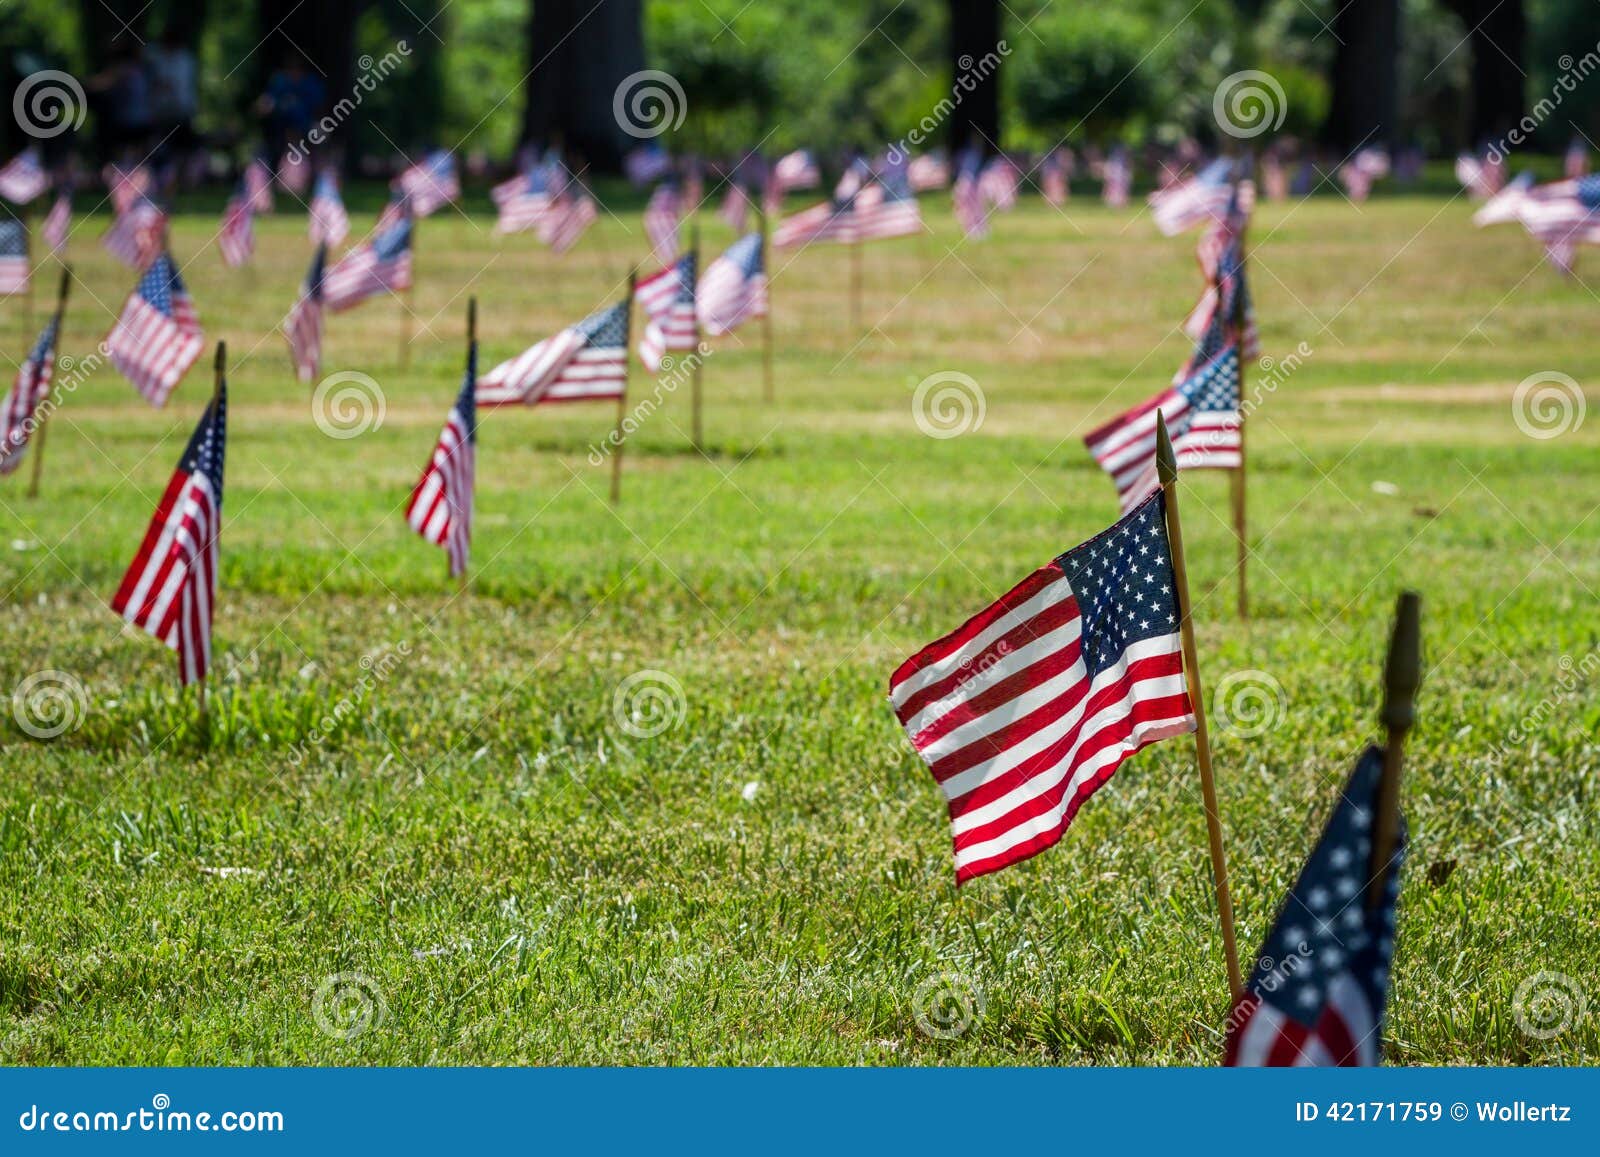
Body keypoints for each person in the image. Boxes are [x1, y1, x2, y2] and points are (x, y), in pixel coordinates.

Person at [258, 54, 326, 156]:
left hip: (305, 129)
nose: (294, 72)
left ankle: (316, 165)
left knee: (321, 132)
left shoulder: (311, 82)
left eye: (297, 68)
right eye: (290, 68)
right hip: (281, 129)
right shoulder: (280, 81)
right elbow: (266, 102)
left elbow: (320, 106)